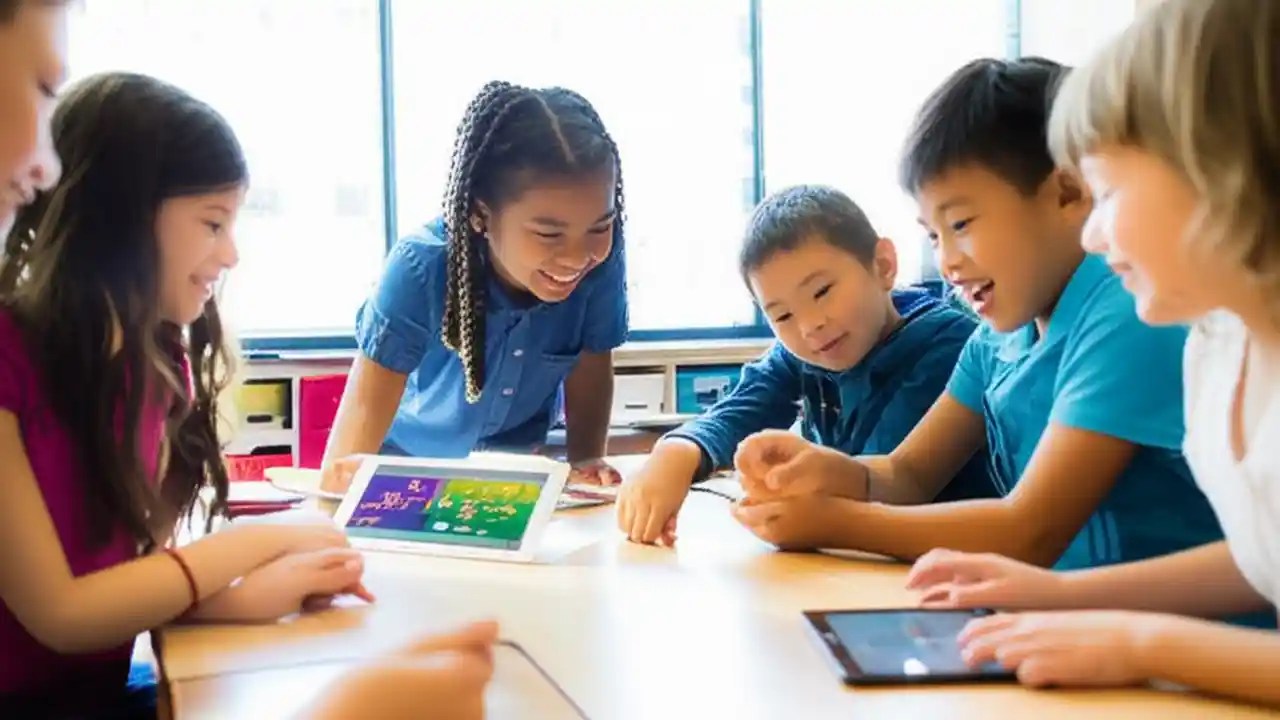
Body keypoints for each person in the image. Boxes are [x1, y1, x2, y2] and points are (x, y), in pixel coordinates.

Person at [905, 0, 1280, 705]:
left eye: (1105, 195)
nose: (1094, 236)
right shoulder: (1216, 346)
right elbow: (1264, 559)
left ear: (1218, 173)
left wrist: (1142, 640)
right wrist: (1058, 594)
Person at [729, 56, 1222, 570]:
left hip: (1184, 640)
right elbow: (908, 475)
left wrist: (835, 521)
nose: (947, 261)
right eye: (933, 235)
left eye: (961, 223)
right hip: (1061, 626)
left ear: (1069, 192)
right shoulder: (995, 339)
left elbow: (1031, 530)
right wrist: (831, 472)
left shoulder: (1124, 311)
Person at [617, 184, 988, 545]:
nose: (810, 326)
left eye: (822, 292)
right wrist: (678, 450)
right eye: (782, 316)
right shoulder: (809, 351)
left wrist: (798, 499)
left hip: (935, 566)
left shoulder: (948, 345)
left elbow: (891, 481)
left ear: (883, 265)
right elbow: (743, 407)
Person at [321, 81, 628, 492]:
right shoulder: (420, 269)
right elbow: (344, 461)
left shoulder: (600, 263)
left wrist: (588, 463)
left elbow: (591, 364)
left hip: (521, 474)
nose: (578, 257)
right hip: (408, 470)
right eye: (549, 235)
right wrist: (339, 499)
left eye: (600, 226)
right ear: (480, 214)